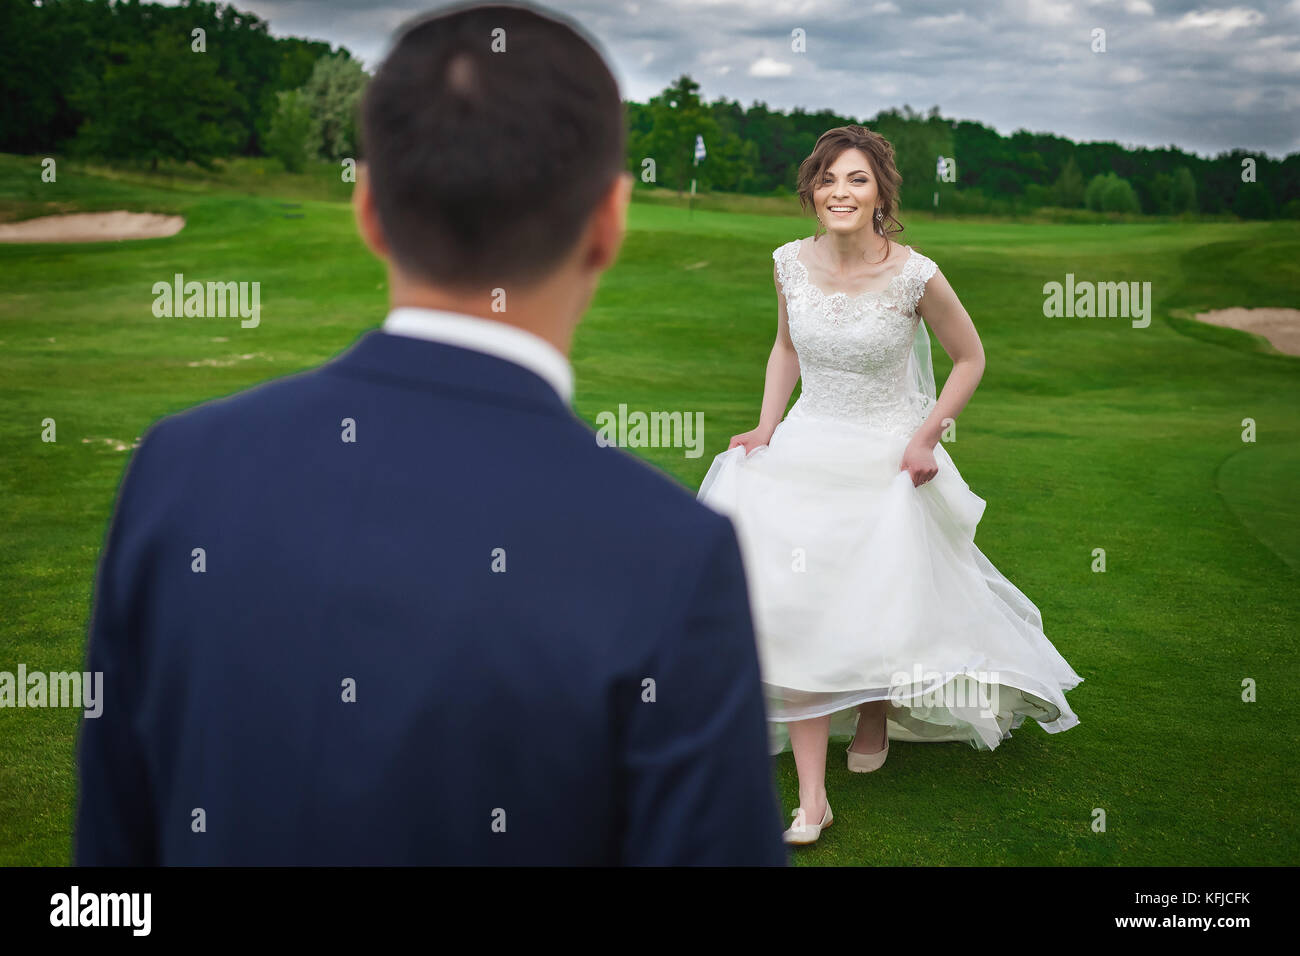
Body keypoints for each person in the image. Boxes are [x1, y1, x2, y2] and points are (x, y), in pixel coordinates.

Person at [75, 1, 786, 866]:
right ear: (610, 221)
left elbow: (109, 868)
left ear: (367, 208)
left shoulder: (177, 467)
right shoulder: (676, 555)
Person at [697, 125, 1082, 846]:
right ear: (812, 191)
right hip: (810, 441)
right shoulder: (787, 262)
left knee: (872, 590)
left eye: (857, 181)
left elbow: (969, 358)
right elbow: (785, 348)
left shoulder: (915, 274)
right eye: (827, 180)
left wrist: (925, 434)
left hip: (886, 449)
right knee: (796, 606)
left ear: (880, 196)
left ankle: (872, 710)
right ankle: (812, 800)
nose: (839, 193)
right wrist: (764, 427)